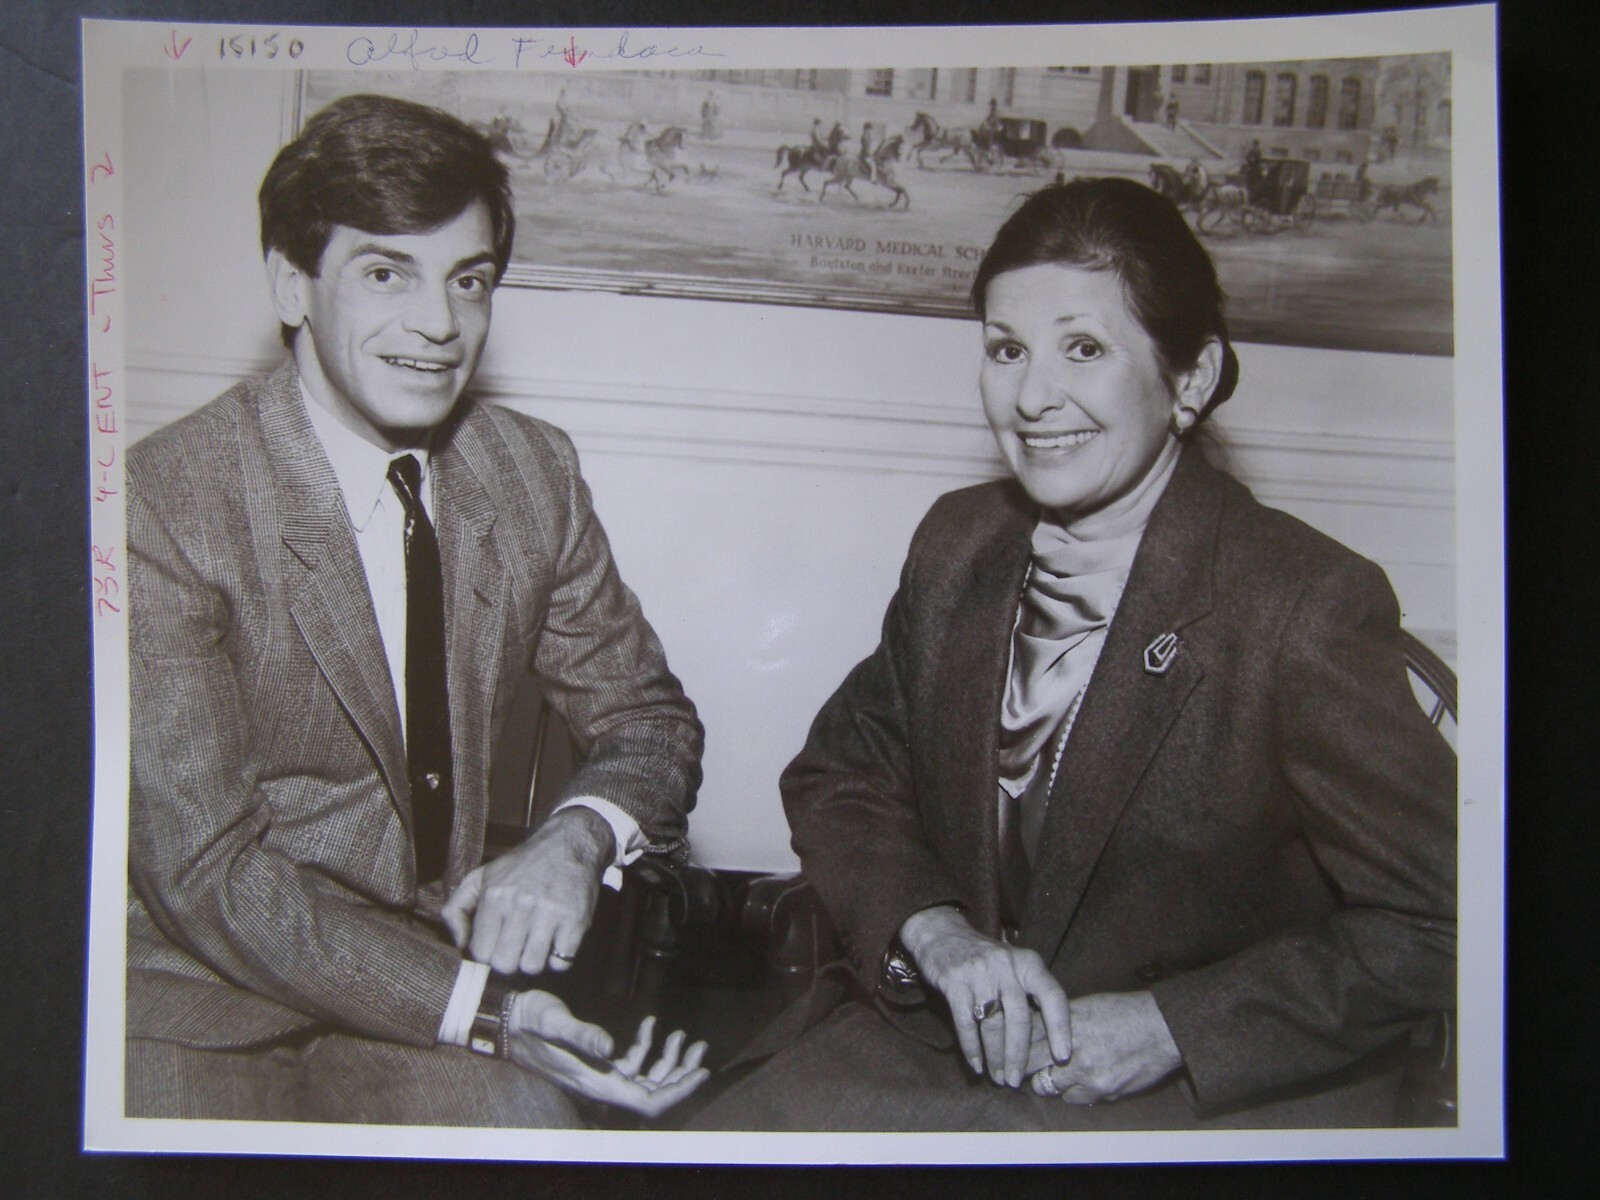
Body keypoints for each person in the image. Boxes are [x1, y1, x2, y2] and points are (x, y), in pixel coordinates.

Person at [693, 177, 1455, 1131]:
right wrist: (937, 936)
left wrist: (1171, 1025)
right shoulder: (960, 544)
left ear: (1193, 379)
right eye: (1006, 350)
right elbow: (845, 774)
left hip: (1195, 1092)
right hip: (941, 1041)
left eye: (1083, 349)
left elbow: (1446, 921)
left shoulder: (1301, 604)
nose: (1033, 396)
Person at [125, 94, 708, 1126]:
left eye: (468, 281)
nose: (440, 325)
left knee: (538, 1146)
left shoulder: (532, 472)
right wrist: (485, 1009)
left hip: (423, 977)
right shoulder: (166, 502)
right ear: (292, 285)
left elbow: (648, 718)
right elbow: (204, 870)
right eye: (386, 273)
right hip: (195, 1000)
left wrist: (576, 836)